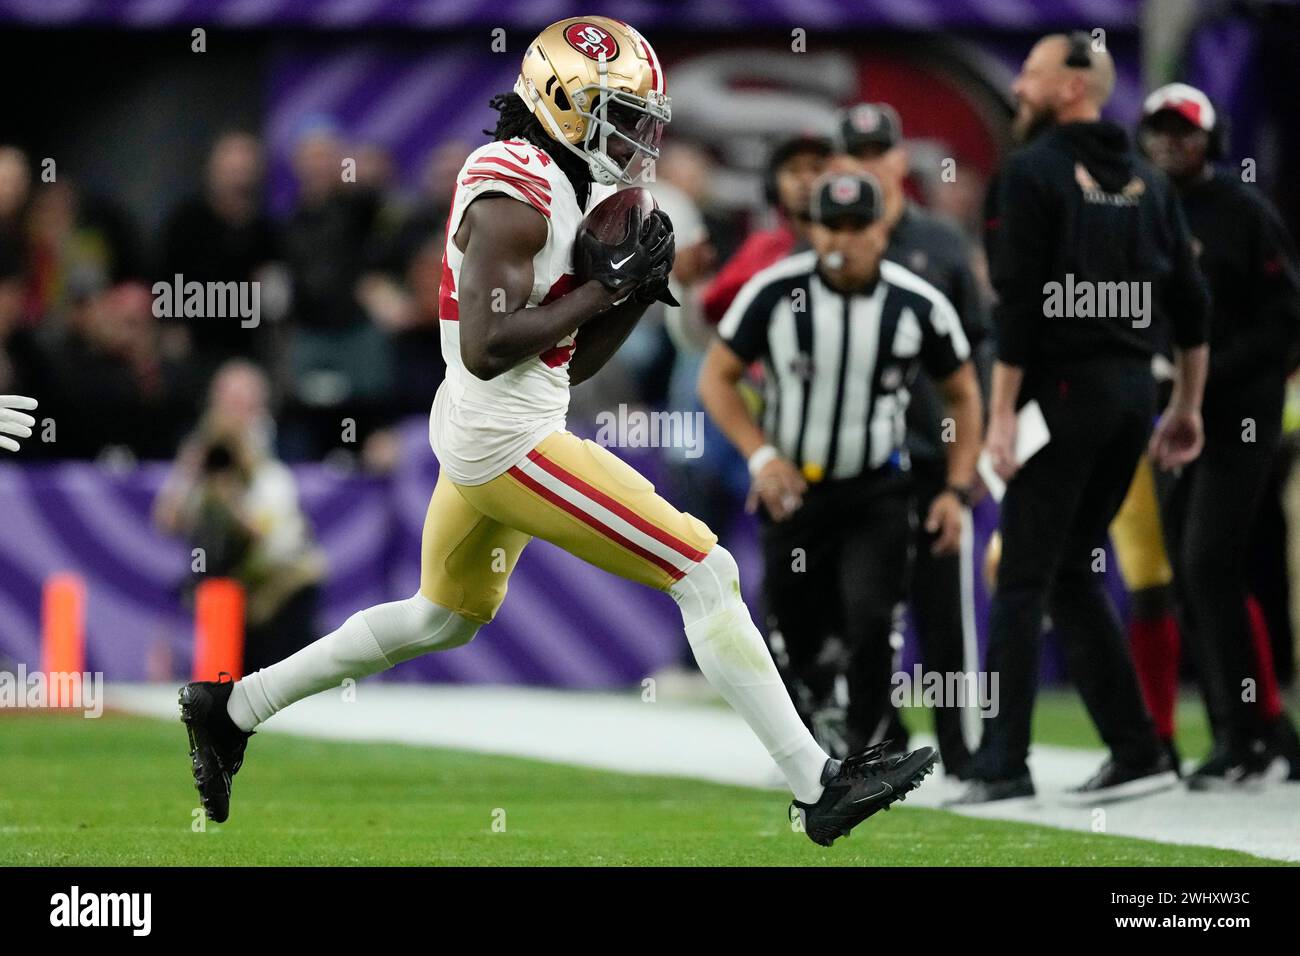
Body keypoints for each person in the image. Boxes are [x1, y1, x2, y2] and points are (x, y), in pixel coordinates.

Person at [178, 16, 937, 847]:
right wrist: (599, 289)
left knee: (441, 616)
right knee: (705, 570)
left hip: (495, 423)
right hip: (509, 439)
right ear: (562, 103)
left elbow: (564, 361)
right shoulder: (516, 187)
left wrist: (634, 292)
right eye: (619, 110)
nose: (638, 132)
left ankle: (233, 708)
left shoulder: (575, 184)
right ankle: (817, 785)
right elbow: (489, 342)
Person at [952, 33, 1211, 805]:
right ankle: (1139, 750)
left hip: (1060, 394)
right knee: (1069, 572)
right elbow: (1193, 307)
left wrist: (1000, 416)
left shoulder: (1028, 174)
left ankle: (1002, 764)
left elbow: (1021, 310)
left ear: (1073, 86)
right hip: (1134, 397)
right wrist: (1188, 408)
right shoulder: (1148, 180)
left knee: (1023, 577)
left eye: (1029, 76)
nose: (1019, 89)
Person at [698, 169, 982, 763]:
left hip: (876, 489)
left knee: (872, 617)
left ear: (883, 230)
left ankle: (861, 750)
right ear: (812, 228)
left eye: (859, 226)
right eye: (832, 225)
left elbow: (962, 393)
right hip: (794, 491)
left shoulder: (916, 302)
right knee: (797, 631)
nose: (844, 240)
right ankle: (828, 711)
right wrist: (762, 456)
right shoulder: (776, 292)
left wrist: (956, 489)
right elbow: (715, 376)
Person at [1134, 82, 1300, 786]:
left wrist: (1204, 379)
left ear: (1212, 139)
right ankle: (1258, 729)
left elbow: (1284, 321)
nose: (1171, 141)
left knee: (1208, 564)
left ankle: (1247, 733)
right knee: (1192, 573)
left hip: (1235, 416)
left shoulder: (1240, 212)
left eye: (1185, 130)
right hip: (1172, 418)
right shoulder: (1140, 211)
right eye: (1159, 129)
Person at [832, 102, 991, 778]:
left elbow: (979, 347)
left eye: (879, 151)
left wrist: (973, 450)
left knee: (944, 614)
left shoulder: (944, 242)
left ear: (899, 160)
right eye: (856, 153)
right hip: (855, 462)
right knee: (859, 616)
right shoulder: (826, 246)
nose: (869, 164)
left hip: (930, 453)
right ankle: (872, 748)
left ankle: (963, 753)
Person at [700, 133, 830, 325]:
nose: (806, 180)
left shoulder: (860, 244)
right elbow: (713, 314)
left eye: (817, 168)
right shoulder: (761, 248)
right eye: (794, 170)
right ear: (773, 184)